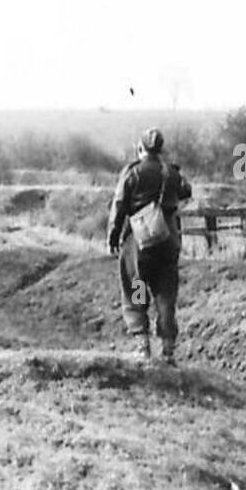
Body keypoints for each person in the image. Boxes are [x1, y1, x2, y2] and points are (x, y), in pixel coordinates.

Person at [106, 128, 192, 363]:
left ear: (140, 148)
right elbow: (187, 191)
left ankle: (142, 343)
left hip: (139, 241)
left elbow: (119, 205)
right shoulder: (172, 173)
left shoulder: (133, 172)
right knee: (165, 293)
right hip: (168, 241)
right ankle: (168, 350)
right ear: (161, 150)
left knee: (138, 286)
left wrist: (113, 237)